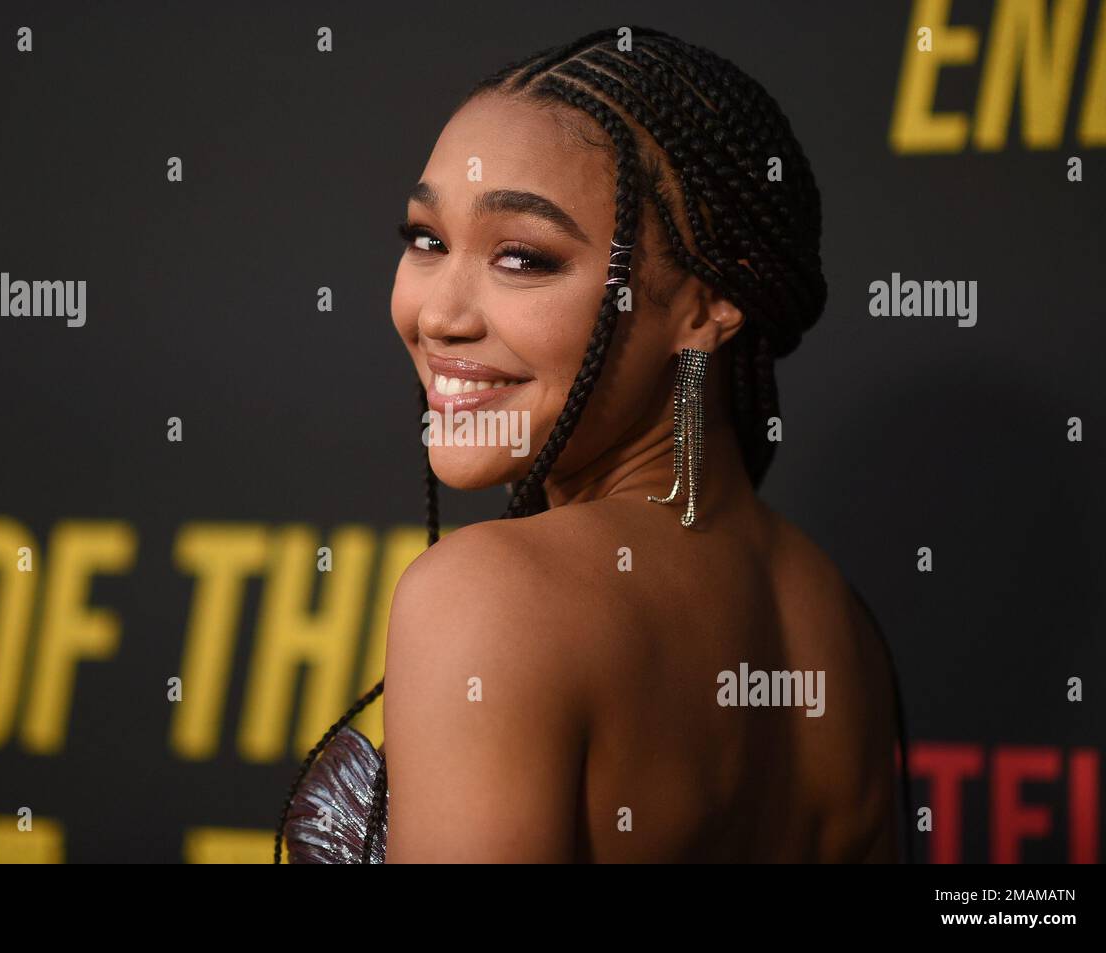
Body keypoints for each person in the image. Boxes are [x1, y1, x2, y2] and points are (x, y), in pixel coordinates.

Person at [275, 25, 909, 864]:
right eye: (427, 240)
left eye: (523, 257)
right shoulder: (841, 625)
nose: (437, 314)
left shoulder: (489, 596)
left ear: (704, 303)